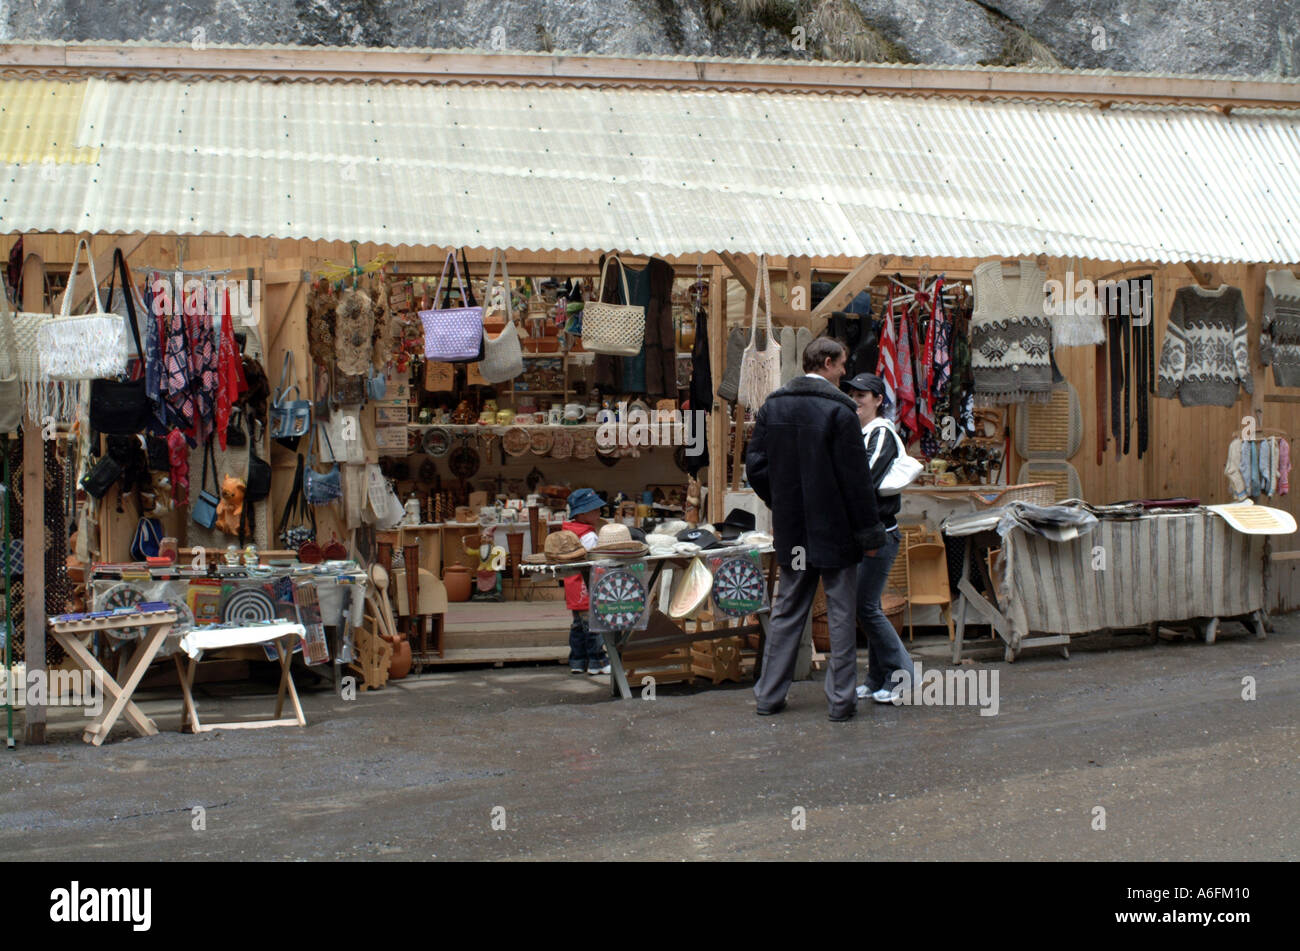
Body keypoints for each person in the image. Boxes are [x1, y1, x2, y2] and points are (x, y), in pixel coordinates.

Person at [746, 337, 888, 721]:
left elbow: (755, 467)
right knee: (841, 613)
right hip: (836, 531)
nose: (844, 373)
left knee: (788, 609)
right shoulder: (840, 411)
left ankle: (769, 696)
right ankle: (841, 702)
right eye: (841, 365)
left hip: (794, 530)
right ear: (827, 362)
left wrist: (784, 503)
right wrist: (870, 535)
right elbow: (856, 483)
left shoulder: (773, 405)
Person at [843, 372, 917, 704]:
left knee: (866, 607)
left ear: (878, 400)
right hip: (867, 535)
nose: (856, 399)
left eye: (863, 395)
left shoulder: (881, 432)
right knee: (868, 607)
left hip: (880, 535)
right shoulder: (862, 432)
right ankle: (877, 679)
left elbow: (865, 480)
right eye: (853, 394)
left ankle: (902, 677)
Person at [561, 488, 611, 675]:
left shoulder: (568, 531)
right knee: (594, 625)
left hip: (573, 584)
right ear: (582, 514)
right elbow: (596, 560)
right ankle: (597, 661)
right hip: (588, 584)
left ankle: (577, 660)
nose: (599, 513)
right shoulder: (588, 535)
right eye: (594, 509)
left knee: (578, 626)